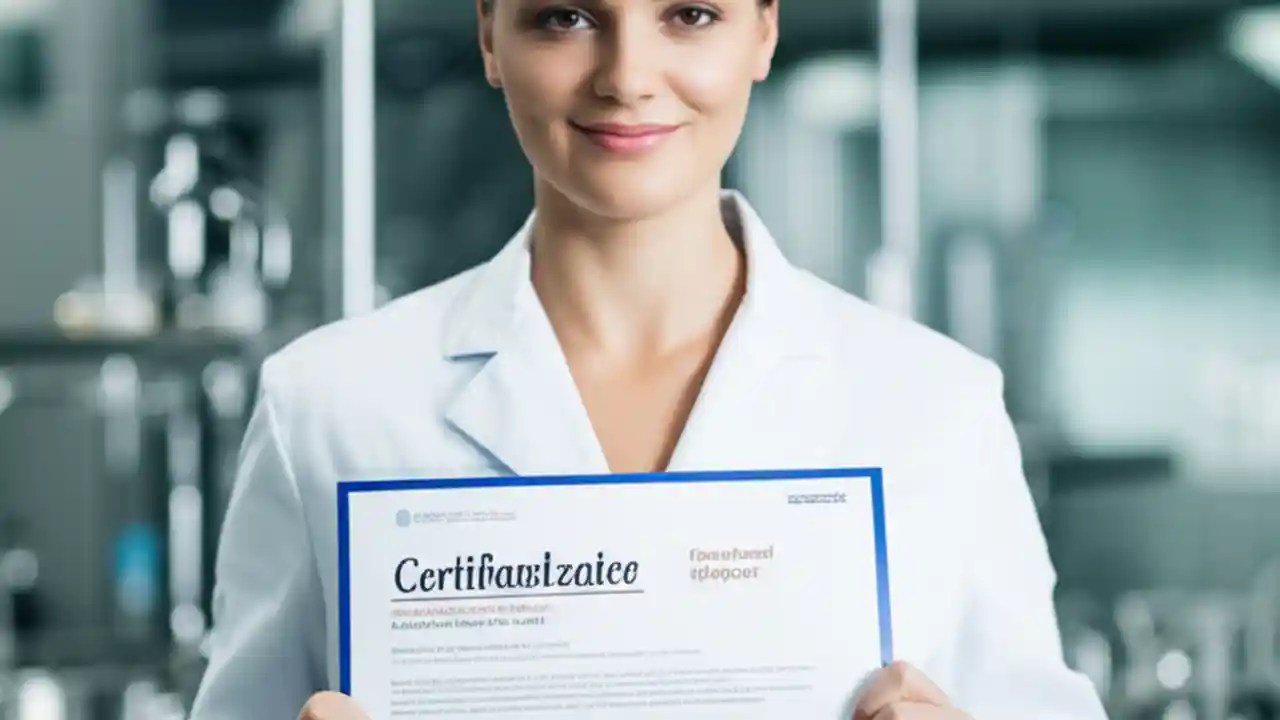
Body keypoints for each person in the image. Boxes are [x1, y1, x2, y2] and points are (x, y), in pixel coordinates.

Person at [188, 1, 1109, 719]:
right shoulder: (328, 404)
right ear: (489, 35)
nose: (627, 77)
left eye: (691, 16)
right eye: (566, 18)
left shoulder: (936, 403)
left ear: (764, 30)